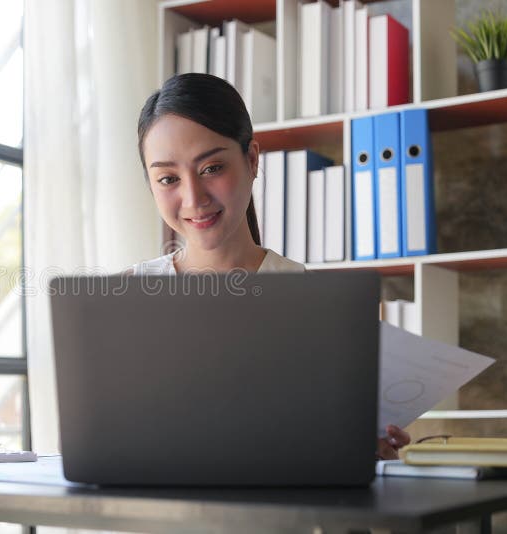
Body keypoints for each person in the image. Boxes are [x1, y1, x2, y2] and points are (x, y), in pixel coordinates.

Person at [131, 72, 410, 460]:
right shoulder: (129, 297)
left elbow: (322, 441)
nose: (193, 198)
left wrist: (365, 446)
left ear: (251, 160)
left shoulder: (314, 300)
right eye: (168, 178)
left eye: (211, 168)